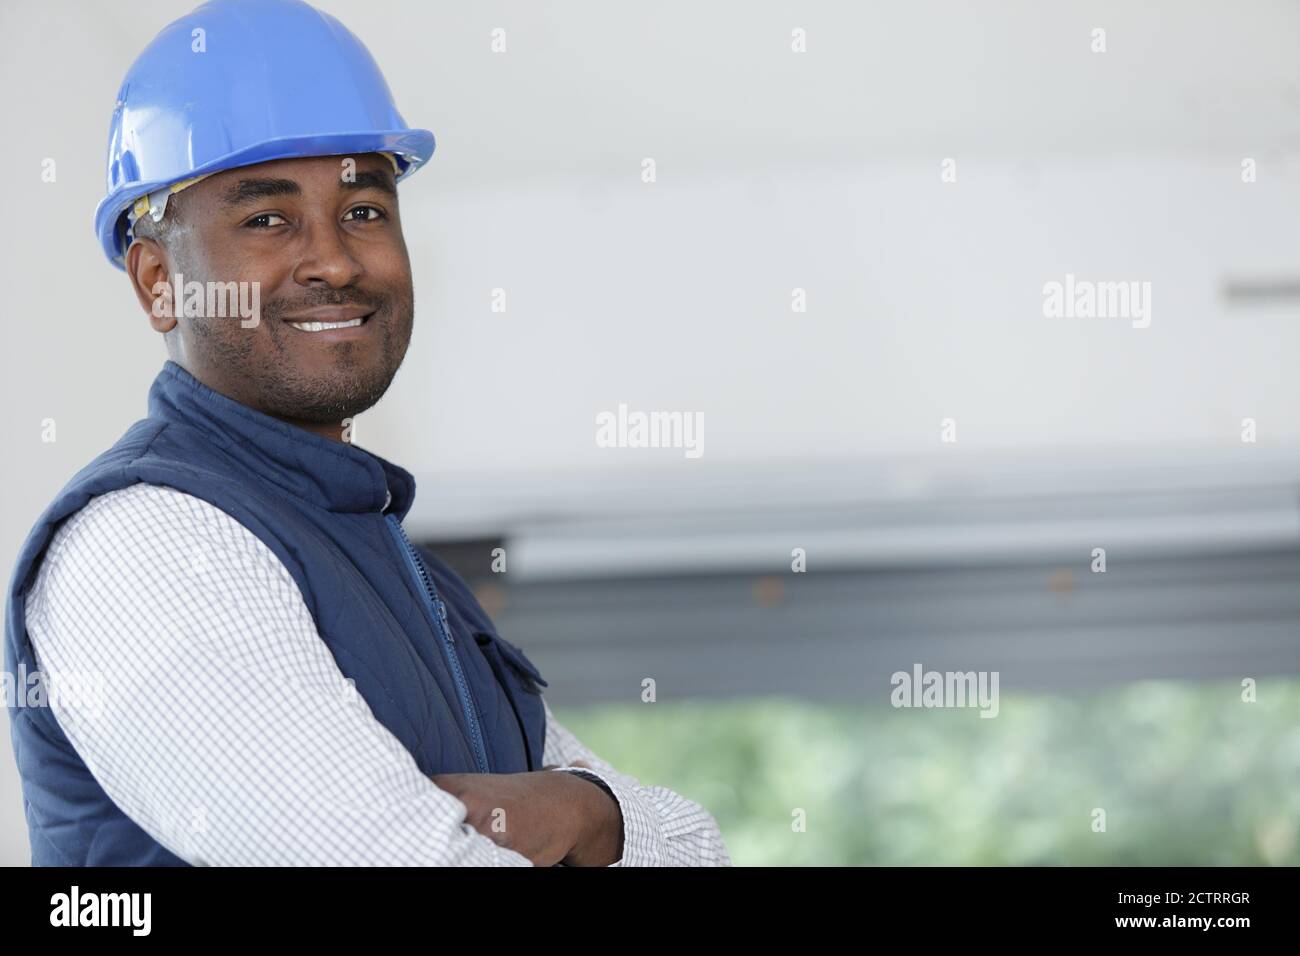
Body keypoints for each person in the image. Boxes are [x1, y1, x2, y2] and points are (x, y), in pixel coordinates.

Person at [4, 0, 730, 867]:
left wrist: (585, 812)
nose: (337, 261)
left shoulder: (397, 566)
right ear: (159, 281)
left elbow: (694, 847)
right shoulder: (147, 543)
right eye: (266, 220)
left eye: (364, 210)